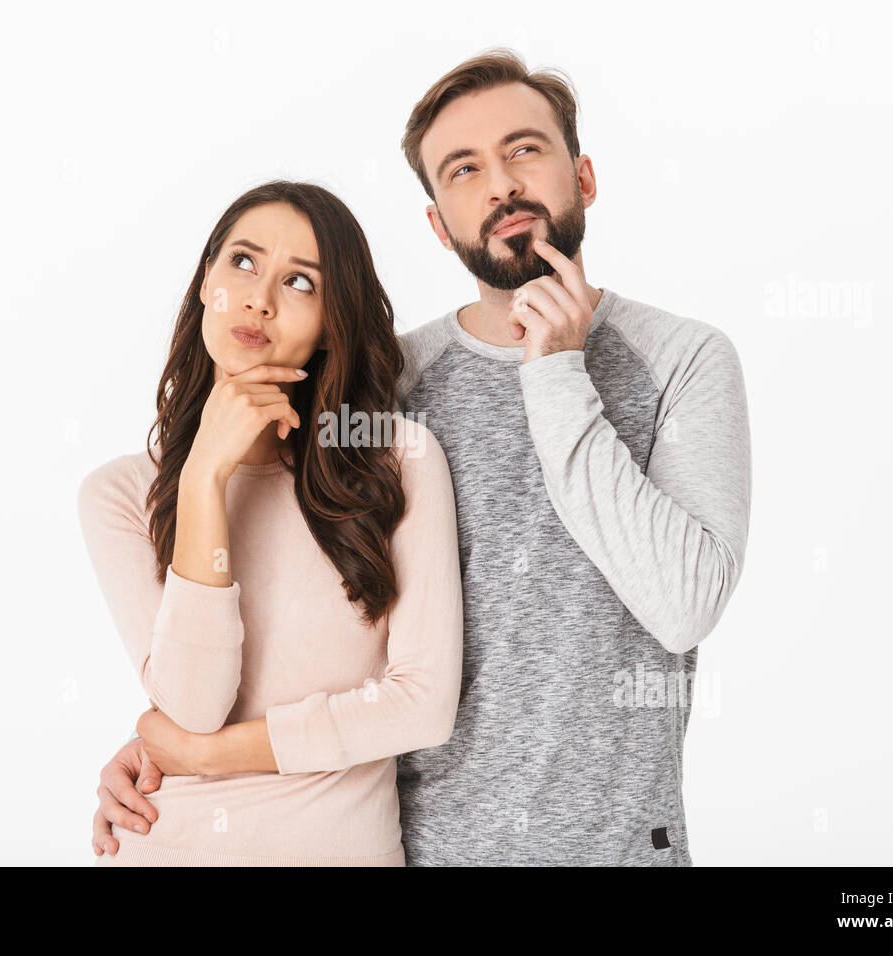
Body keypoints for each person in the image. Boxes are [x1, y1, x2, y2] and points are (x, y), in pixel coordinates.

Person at [94, 48, 752, 866]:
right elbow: (289, 600)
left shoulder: (684, 362)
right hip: (426, 851)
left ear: (583, 176)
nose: (502, 184)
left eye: (525, 150)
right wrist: (166, 750)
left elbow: (685, 605)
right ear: (439, 225)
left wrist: (555, 373)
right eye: (464, 169)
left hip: (620, 849)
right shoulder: (385, 391)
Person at [76, 180, 463, 866]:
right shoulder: (119, 494)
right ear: (205, 284)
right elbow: (194, 702)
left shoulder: (395, 462)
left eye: (301, 283)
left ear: (329, 323)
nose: (259, 298)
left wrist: (205, 755)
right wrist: (202, 480)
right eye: (244, 263)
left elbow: (423, 705)